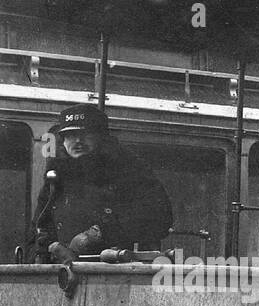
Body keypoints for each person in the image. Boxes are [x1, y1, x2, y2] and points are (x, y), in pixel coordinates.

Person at [26, 104, 173, 263]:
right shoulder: (56, 177)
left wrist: (98, 234)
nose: (77, 141)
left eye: (85, 134)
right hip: (64, 272)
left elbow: (159, 215)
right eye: (70, 135)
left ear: (101, 136)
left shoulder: (128, 169)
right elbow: (40, 225)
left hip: (117, 270)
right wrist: (45, 250)